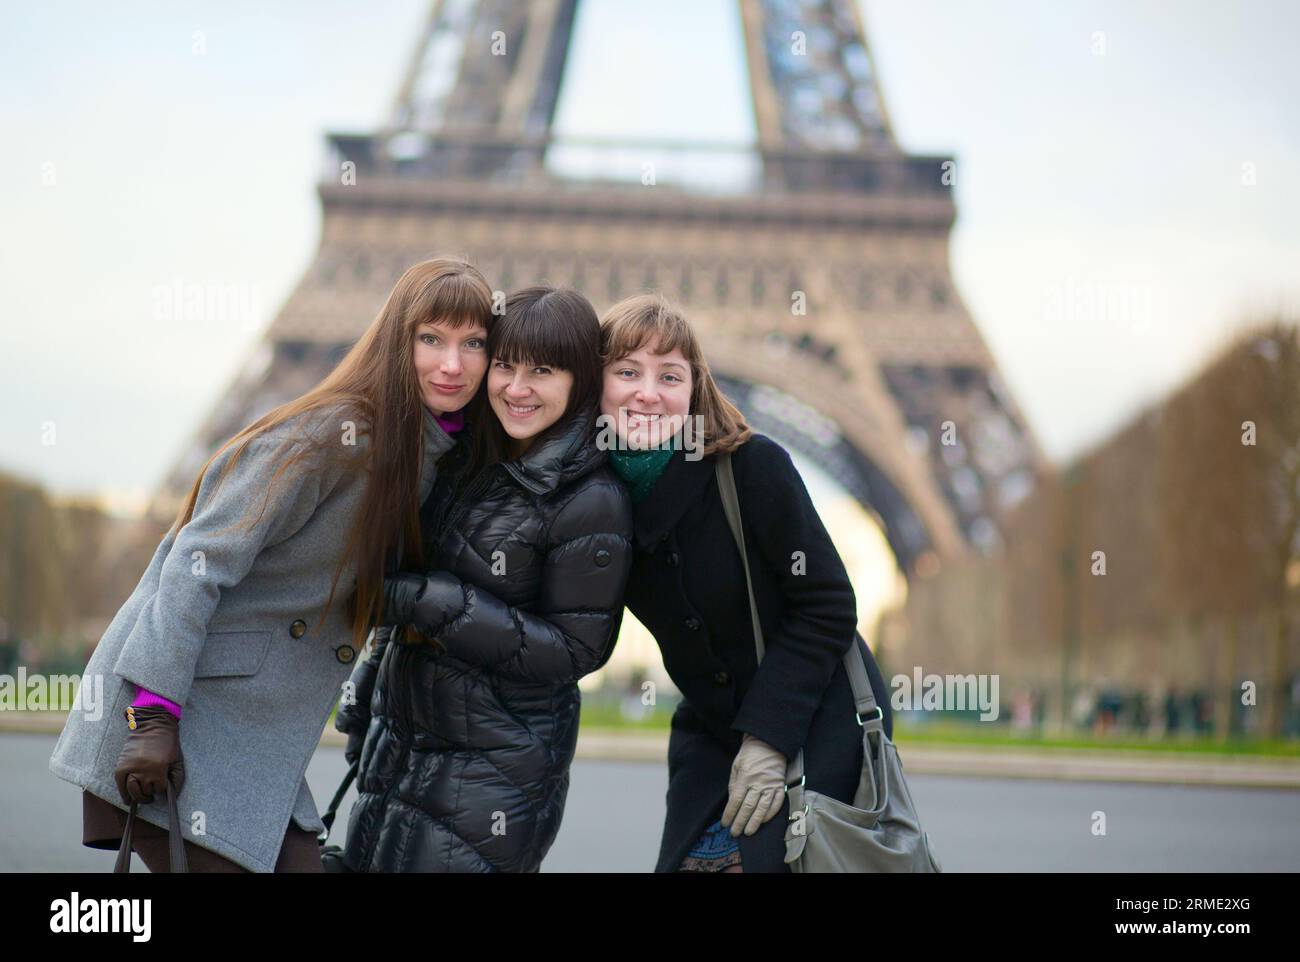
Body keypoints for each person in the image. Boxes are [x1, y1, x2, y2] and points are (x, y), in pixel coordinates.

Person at [48, 257, 495, 872]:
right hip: (179, 721)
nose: (453, 362)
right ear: (398, 340)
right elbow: (195, 565)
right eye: (432, 338)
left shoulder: (428, 451)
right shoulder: (329, 435)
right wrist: (152, 716)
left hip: (244, 747)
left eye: (473, 343)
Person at [598, 293, 894, 873]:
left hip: (812, 721)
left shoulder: (752, 466)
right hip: (709, 734)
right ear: (596, 384)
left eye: (670, 375)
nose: (648, 392)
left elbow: (829, 604)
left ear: (694, 388)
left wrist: (767, 737)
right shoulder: (596, 499)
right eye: (627, 371)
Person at [340, 286, 634, 872]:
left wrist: (433, 603)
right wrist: (366, 697)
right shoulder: (470, 460)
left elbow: (576, 649)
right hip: (399, 750)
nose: (515, 387)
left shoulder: (593, 500)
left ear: (578, 381)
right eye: (504, 365)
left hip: (492, 778)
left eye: (542, 372)